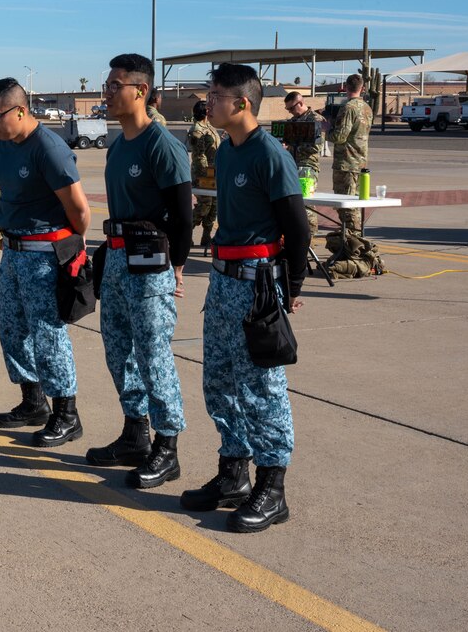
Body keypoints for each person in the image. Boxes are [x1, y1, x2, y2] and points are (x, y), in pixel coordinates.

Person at [182, 62, 309, 533]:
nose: (207, 101)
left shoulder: (268, 153)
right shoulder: (228, 150)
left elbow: (297, 227)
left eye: (215, 95)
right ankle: (233, 472)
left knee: (262, 386)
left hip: (258, 282)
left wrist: (291, 290)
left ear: (242, 103)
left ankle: (272, 488)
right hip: (222, 280)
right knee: (219, 379)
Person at [85, 54, 192, 488]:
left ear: (140, 91)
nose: (107, 92)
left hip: (150, 263)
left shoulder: (161, 145)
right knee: (118, 352)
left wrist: (177, 268)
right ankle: (135, 433)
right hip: (116, 259)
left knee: (153, 355)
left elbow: (183, 215)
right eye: (107, 85)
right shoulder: (119, 146)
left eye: (115, 85)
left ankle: (167, 447)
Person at [0, 77, 91, 447]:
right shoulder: (4, 147)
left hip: (44, 256)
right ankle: (33, 402)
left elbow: (79, 211)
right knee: (12, 330)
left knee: (48, 335)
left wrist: (68, 248)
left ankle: (67, 413)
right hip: (13, 253)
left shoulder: (48, 148)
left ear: (20, 110)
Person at [326, 74, 373, 236]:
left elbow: (339, 137)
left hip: (346, 162)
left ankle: (352, 242)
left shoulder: (348, 108)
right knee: (354, 204)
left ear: (346, 87)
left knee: (345, 206)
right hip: (360, 162)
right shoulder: (367, 108)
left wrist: (327, 128)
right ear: (362, 88)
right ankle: (354, 238)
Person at [283, 91, 326, 237]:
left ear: (300, 103)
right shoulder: (293, 121)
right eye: (287, 109)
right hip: (292, 166)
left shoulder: (316, 120)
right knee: (293, 203)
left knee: (306, 203)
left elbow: (316, 147)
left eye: (291, 108)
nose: (290, 112)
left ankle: (311, 236)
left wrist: (293, 146)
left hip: (307, 168)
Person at [187, 99, 220, 248]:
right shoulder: (197, 129)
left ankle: (206, 236)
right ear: (205, 111)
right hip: (204, 174)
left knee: (214, 205)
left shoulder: (208, 127)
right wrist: (206, 174)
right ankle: (186, 232)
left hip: (213, 174)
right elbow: (199, 155)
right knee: (205, 204)